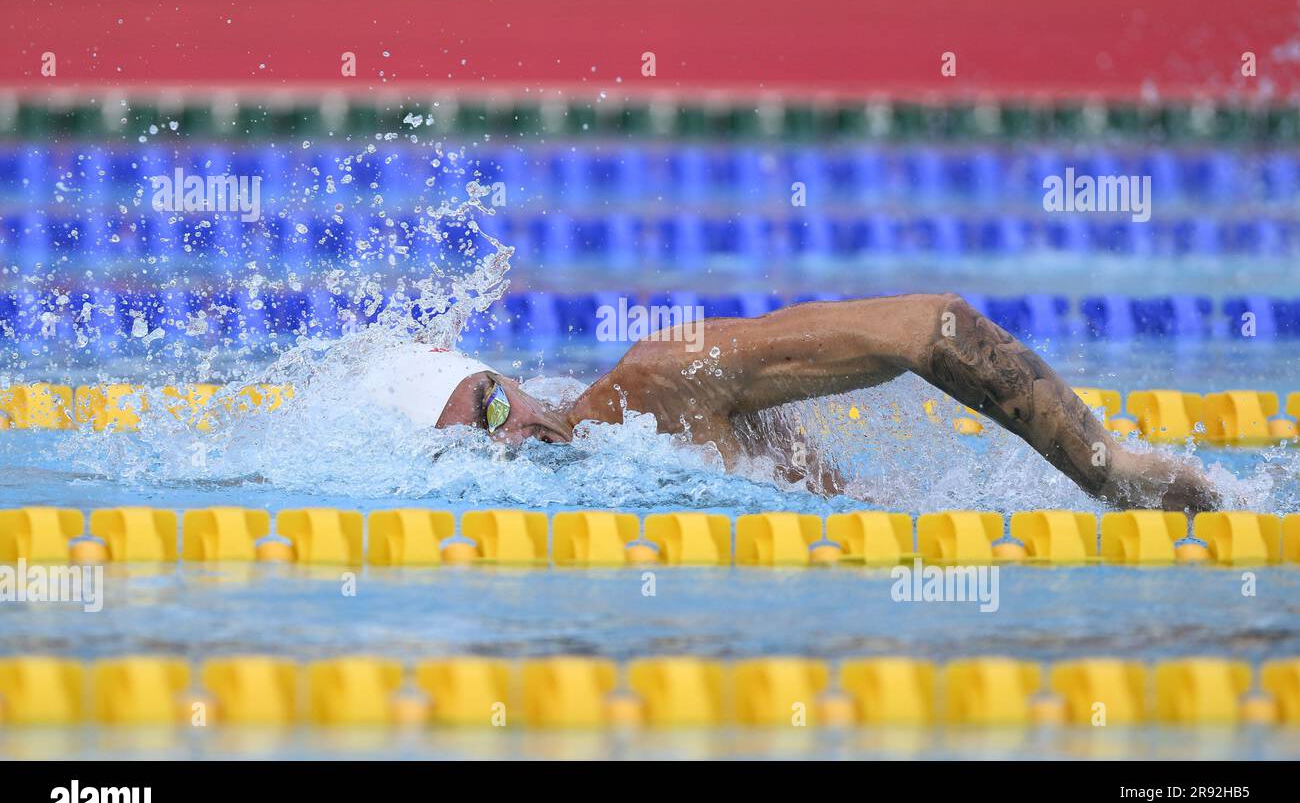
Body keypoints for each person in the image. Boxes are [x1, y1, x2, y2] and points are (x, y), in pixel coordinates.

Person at [358, 293, 1221, 513]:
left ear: (503, 377)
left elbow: (935, 327)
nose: (508, 442)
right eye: (471, 449)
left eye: (490, 408)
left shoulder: (661, 382)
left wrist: (1115, 474)